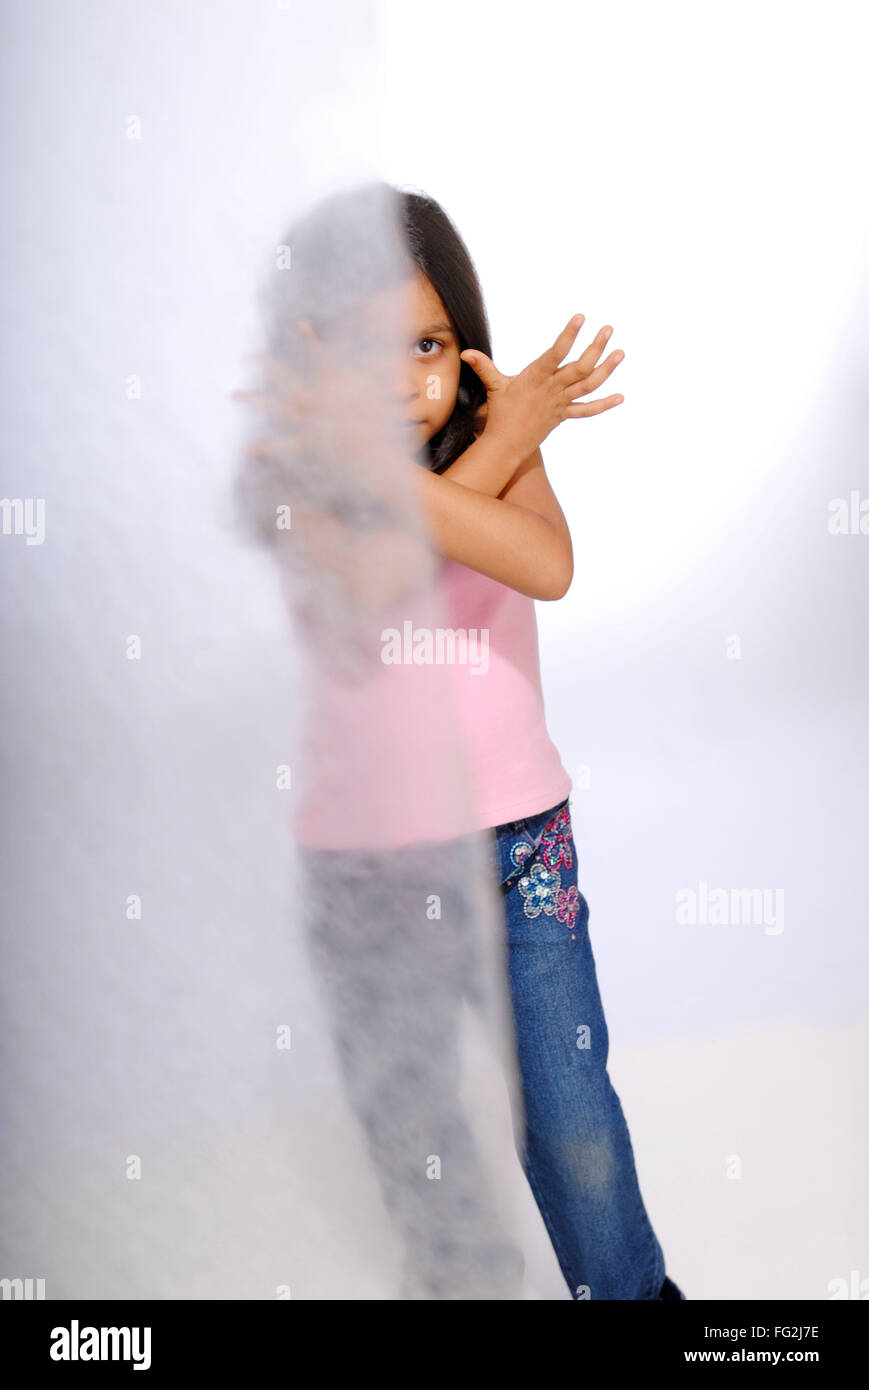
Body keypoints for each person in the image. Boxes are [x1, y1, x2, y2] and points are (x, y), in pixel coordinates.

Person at [236, 182, 685, 1300]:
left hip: (518, 842)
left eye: (427, 342)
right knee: (417, 1130)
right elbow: (368, 589)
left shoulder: (497, 436)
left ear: (463, 339)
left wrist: (480, 449)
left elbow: (545, 566)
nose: (403, 378)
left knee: (568, 1109)